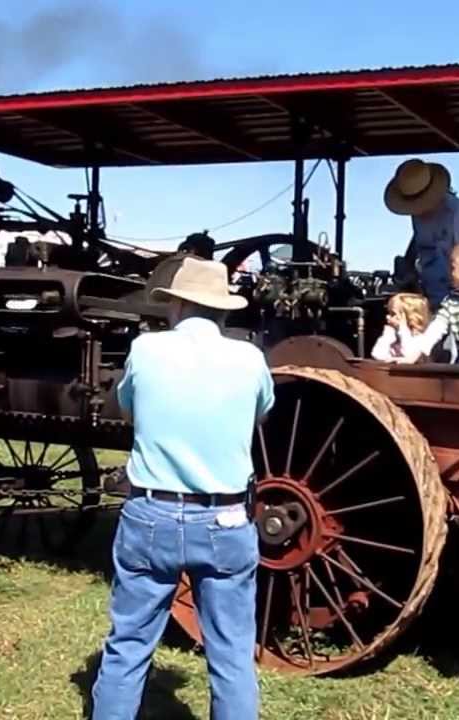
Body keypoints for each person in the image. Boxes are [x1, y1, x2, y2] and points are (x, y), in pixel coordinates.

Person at [90, 257, 274, 720]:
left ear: (176, 305)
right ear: (222, 311)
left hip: (152, 513)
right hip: (226, 518)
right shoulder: (250, 356)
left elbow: (127, 412)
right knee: (231, 653)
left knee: (128, 646)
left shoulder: (146, 350)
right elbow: (261, 413)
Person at [384, 158, 459, 312]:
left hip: (458, 304)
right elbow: (420, 243)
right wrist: (406, 268)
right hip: (428, 297)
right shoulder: (417, 216)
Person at [370, 292, 431, 363]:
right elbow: (377, 355)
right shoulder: (392, 336)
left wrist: (403, 329)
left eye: (393, 314)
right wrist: (388, 334)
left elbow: (409, 355)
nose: (387, 317)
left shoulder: (421, 338)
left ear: (409, 317)